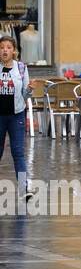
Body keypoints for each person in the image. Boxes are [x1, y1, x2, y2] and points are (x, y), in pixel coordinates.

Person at [0, 37, 34, 200]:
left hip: (17, 115)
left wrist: (29, 89)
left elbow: (25, 94)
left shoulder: (21, 68)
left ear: (14, 50)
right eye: (1, 48)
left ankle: (24, 188)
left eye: (8, 47)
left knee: (18, 152)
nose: (4, 50)